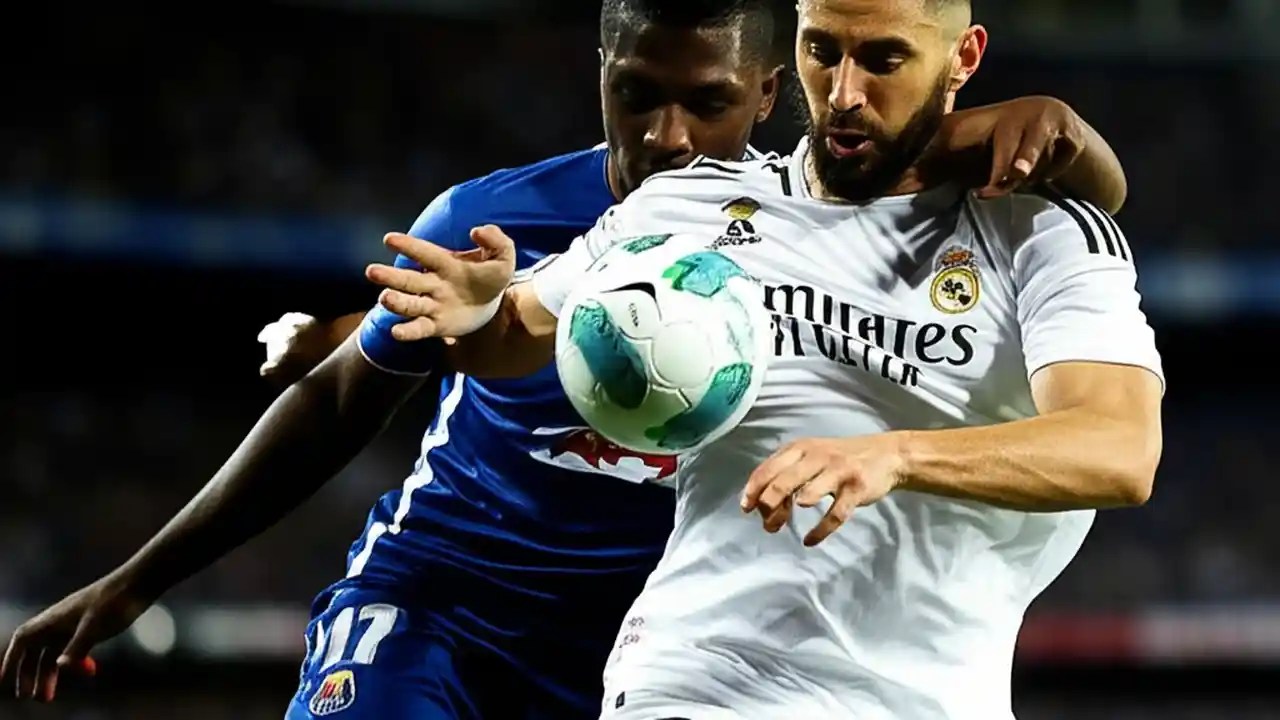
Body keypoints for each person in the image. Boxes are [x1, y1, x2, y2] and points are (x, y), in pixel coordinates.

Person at [3, 1, 1129, 718]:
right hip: (449, 607)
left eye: (707, 104)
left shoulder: (781, 229)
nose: (668, 137)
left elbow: (1081, 290)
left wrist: (1062, 140)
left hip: (618, 645)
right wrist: (133, 578)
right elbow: (359, 388)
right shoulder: (523, 217)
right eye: (637, 95)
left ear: (759, 97)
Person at [363, 0, 1164, 717]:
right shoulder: (691, 205)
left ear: (963, 58)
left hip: (930, 697)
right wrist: (477, 315)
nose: (844, 92)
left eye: (883, 59)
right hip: (695, 683)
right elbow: (516, 335)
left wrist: (896, 457)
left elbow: (1118, 447)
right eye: (822, 50)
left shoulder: (1041, 234)